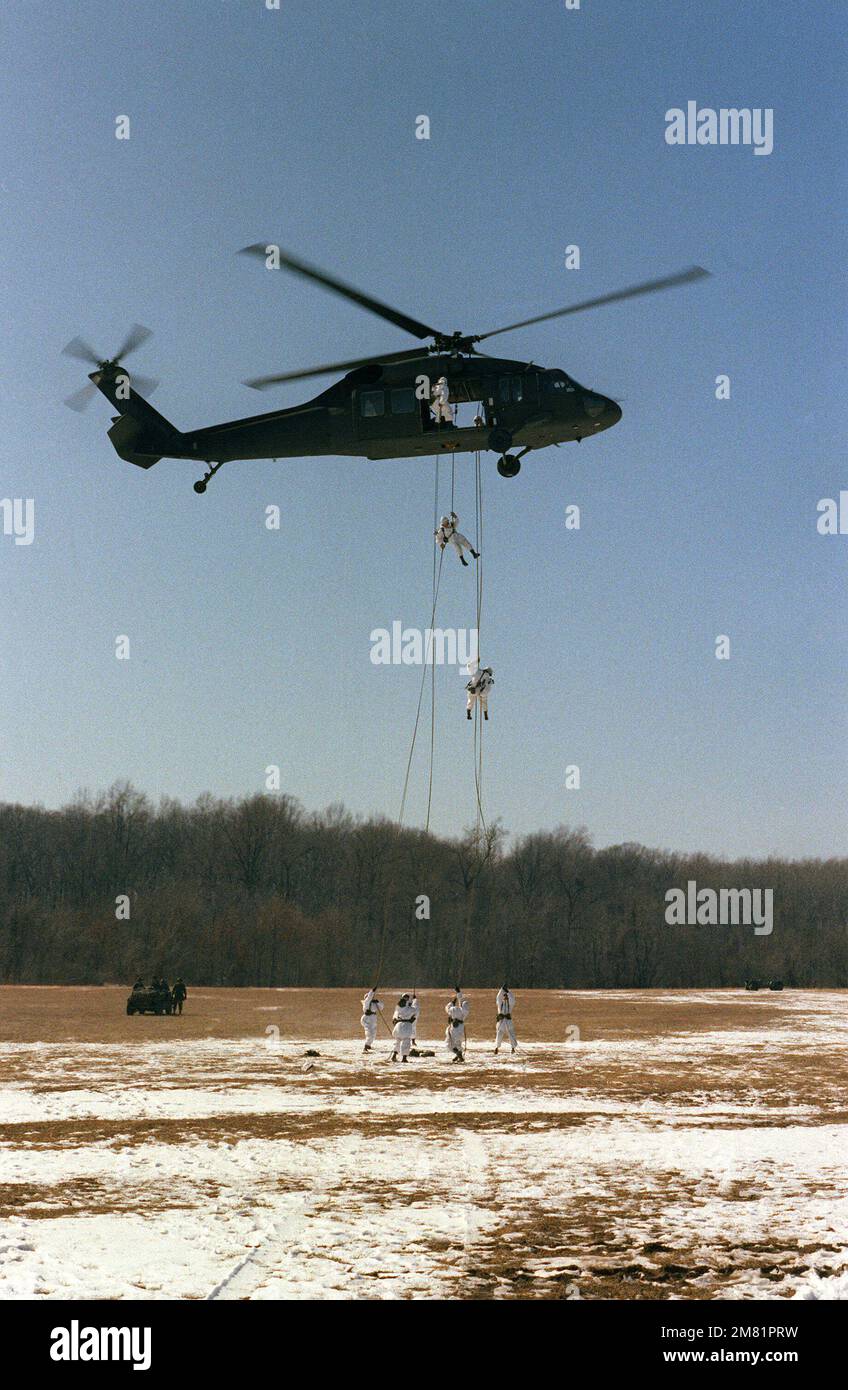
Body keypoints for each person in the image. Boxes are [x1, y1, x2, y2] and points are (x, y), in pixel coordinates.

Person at [391, 991, 420, 1063]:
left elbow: (395, 1017)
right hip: (406, 1026)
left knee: (397, 1041)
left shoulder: (398, 1007)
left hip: (398, 1025)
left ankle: (394, 1055)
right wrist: (415, 1000)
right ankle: (404, 1058)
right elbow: (416, 1010)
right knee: (406, 1042)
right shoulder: (410, 1009)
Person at [445, 986, 470, 1063]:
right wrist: (458, 993)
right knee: (458, 1042)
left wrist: (453, 1002)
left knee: (449, 1043)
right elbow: (461, 1002)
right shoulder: (464, 1012)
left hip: (454, 1027)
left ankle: (458, 1054)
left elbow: (448, 1008)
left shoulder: (454, 1009)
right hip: (460, 1028)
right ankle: (459, 1055)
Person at [494, 984, 517, 1053]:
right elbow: (498, 997)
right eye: (504, 996)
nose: (505, 997)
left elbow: (513, 1000)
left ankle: (513, 1048)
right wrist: (502, 989)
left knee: (511, 1033)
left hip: (508, 1020)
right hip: (501, 1021)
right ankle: (497, 1047)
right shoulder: (500, 1004)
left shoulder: (510, 1004)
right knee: (499, 1034)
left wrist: (508, 992)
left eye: (506, 996)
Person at [360, 986, 383, 1052]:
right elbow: (369, 996)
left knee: (373, 1033)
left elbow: (381, 1007)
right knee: (369, 1033)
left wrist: (378, 1002)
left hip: (373, 1019)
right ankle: (365, 1047)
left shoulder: (373, 1003)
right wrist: (372, 990)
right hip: (367, 1019)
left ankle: (368, 1045)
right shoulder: (366, 1002)